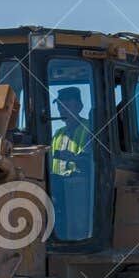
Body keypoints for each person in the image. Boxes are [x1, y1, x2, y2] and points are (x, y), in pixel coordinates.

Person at [49, 88, 93, 240]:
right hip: (58, 191)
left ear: (79, 107)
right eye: (60, 106)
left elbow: (93, 164)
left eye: (66, 105)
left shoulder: (89, 130)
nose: (62, 109)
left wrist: (72, 158)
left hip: (81, 193)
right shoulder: (58, 134)